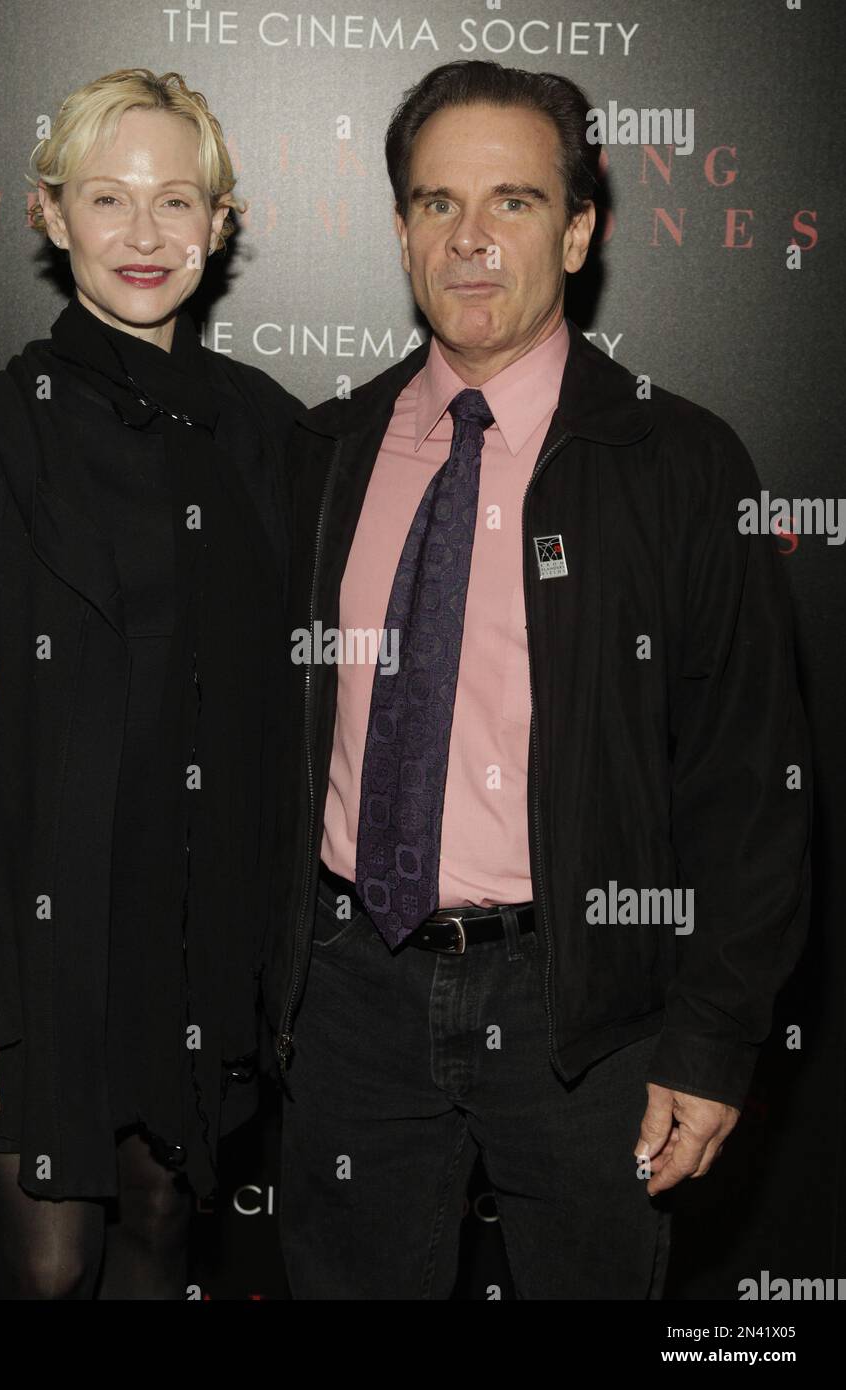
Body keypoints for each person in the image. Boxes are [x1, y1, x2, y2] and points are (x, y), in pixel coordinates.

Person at [265, 61, 813, 1299]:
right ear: (401, 228)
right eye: (435, 203)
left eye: (511, 203)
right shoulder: (324, 455)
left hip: (587, 1012)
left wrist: (715, 1039)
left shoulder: (678, 461)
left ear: (577, 232)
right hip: (352, 992)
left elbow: (751, 785)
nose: (469, 240)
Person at [0, 68, 300, 1299]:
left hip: (193, 930)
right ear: (50, 214)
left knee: (163, 1239)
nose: (144, 234)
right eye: (108, 199)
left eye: (178, 201)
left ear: (220, 226)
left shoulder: (267, 432)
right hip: (35, 943)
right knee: (48, 1273)